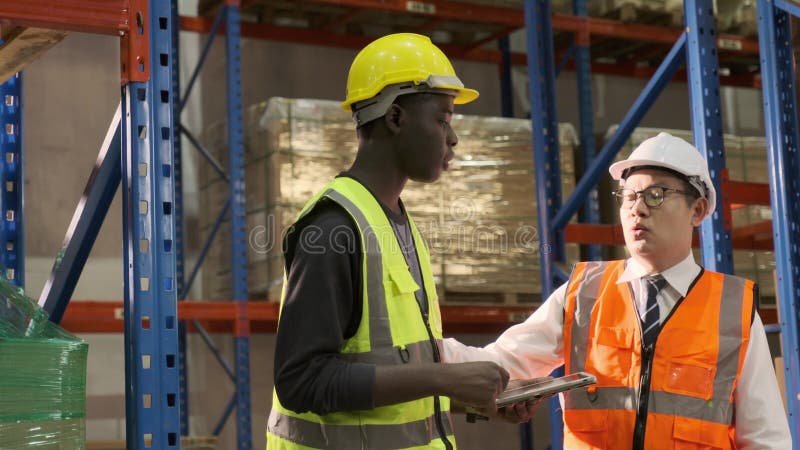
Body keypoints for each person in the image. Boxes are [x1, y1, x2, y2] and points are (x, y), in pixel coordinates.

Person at [444, 132, 792, 449]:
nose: (637, 209)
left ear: (697, 210)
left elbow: (765, 439)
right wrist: (423, 352)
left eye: (656, 195)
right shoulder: (583, 294)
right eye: (628, 196)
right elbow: (504, 362)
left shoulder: (732, 310)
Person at [266, 33, 509, 449]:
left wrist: (464, 396)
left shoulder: (395, 222)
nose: (453, 139)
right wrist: (443, 377)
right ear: (396, 118)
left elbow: (386, 374)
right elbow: (302, 380)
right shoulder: (333, 229)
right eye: (443, 118)